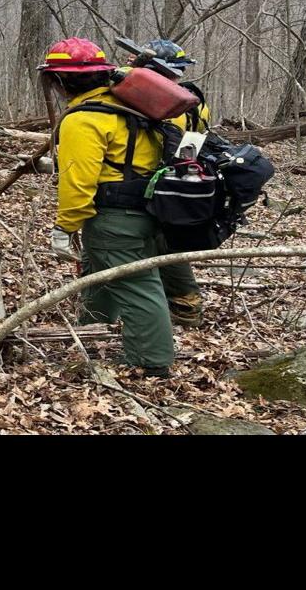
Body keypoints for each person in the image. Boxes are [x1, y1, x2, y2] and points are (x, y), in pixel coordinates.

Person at [42, 37, 175, 377]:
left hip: (114, 218)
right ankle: (91, 330)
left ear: (61, 81)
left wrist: (64, 226)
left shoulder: (83, 120)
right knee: (97, 273)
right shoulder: (129, 108)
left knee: (137, 285)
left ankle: (152, 362)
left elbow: (78, 182)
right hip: (144, 211)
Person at [143, 38, 212, 328]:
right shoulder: (192, 99)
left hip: (162, 181)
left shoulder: (169, 101)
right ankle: (177, 302)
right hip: (180, 181)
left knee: (166, 243)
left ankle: (186, 305)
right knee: (164, 242)